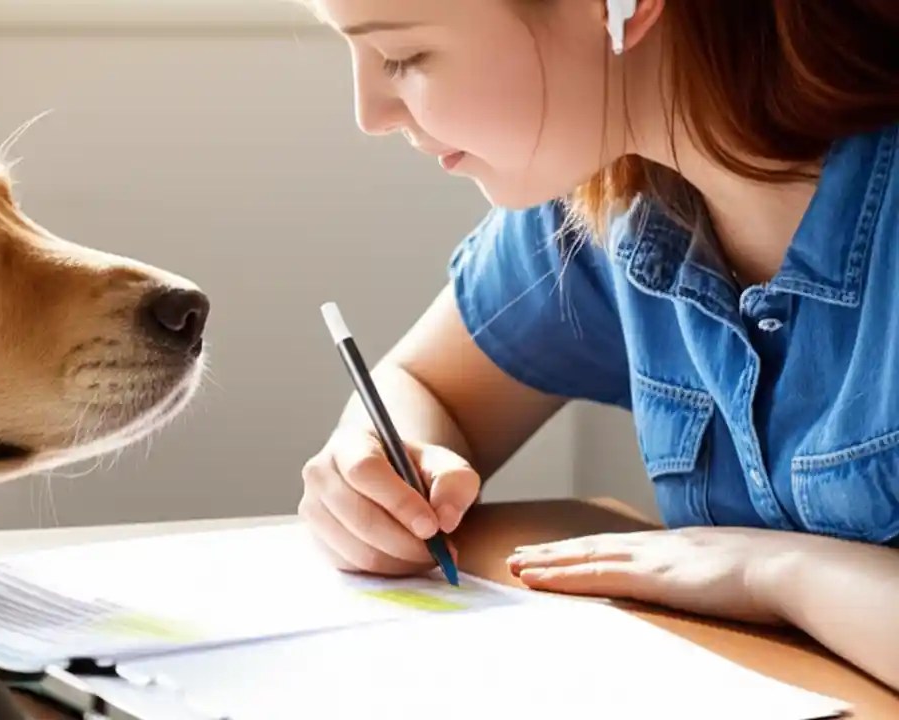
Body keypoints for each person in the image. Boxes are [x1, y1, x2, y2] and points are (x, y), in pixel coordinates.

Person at [297, 0, 899, 691]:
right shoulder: (610, 199)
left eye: (404, 56)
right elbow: (427, 386)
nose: (370, 114)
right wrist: (376, 470)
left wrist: (774, 572)